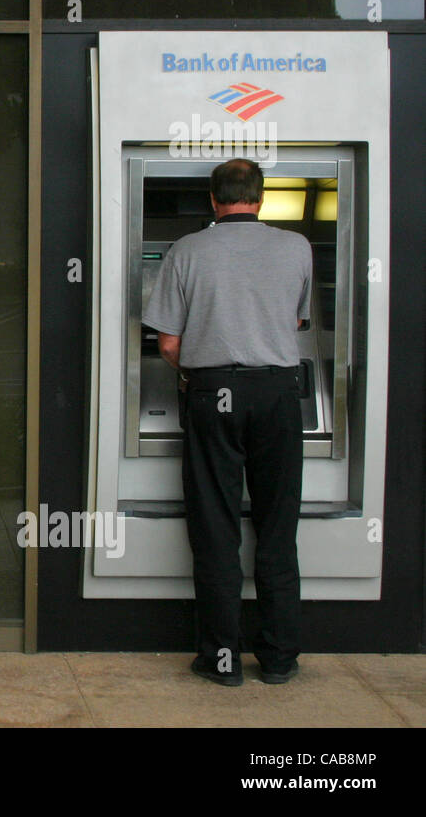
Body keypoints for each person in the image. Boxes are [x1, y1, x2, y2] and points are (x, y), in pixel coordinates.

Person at [142, 157, 311, 687]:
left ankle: (222, 660)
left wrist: (203, 369)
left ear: (214, 201)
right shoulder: (298, 247)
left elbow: (168, 342)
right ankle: (280, 659)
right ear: (261, 199)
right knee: (278, 527)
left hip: (214, 391)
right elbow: (298, 321)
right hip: (280, 393)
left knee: (216, 526)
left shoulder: (187, 249)